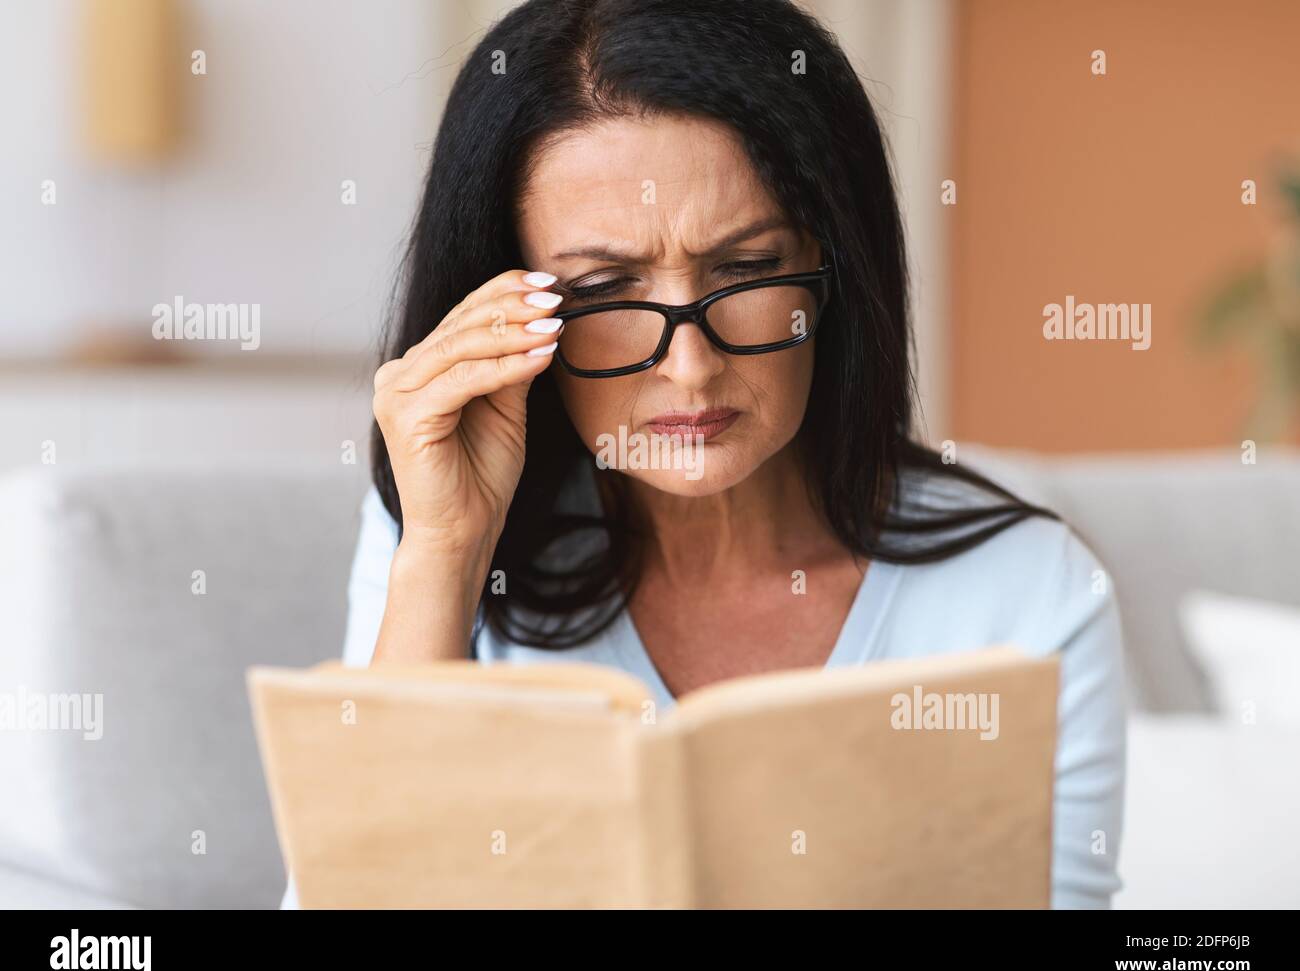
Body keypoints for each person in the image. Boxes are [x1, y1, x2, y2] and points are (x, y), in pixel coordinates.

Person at [282, 0, 1126, 909]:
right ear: (507, 310)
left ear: (830, 268)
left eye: (748, 271)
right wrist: (443, 558)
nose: (691, 366)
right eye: (604, 288)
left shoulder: (1030, 592)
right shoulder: (438, 545)